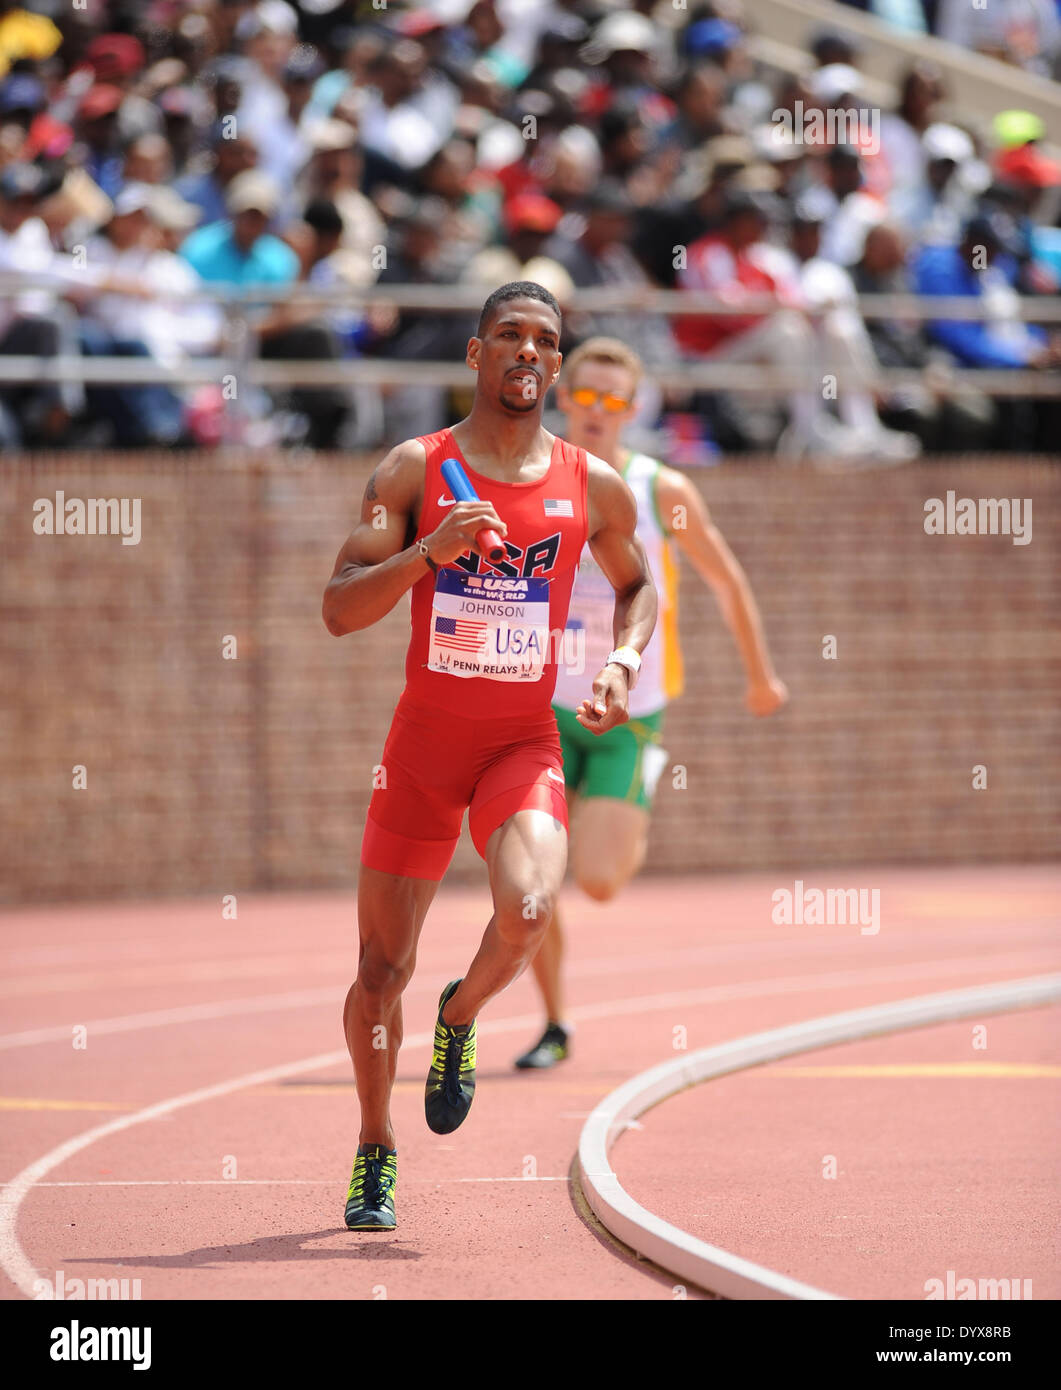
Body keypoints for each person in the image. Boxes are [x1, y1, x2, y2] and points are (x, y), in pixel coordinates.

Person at [322, 281, 657, 1230]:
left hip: (520, 739)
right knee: (379, 971)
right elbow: (338, 609)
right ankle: (375, 1147)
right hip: (423, 750)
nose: (527, 351)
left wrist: (623, 662)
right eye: (508, 334)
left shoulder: (591, 483)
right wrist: (429, 553)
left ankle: (460, 1015)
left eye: (544, 340)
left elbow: (638, 589)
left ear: (557, 364)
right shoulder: (414, 468)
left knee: (530, 908)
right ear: (476, 354)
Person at [513, 337, 788, 1069]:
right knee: (529, 883)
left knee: (598, 881)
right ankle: (555, 1022)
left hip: (626, 717)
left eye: (614, 400)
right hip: (539, 711)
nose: (597, 410)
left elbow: (725, 580)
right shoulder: (529, 475)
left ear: (634, 410)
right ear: (562, 396)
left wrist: (759, 676)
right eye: (586, 395)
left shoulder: (660, 490)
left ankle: (638, 783)